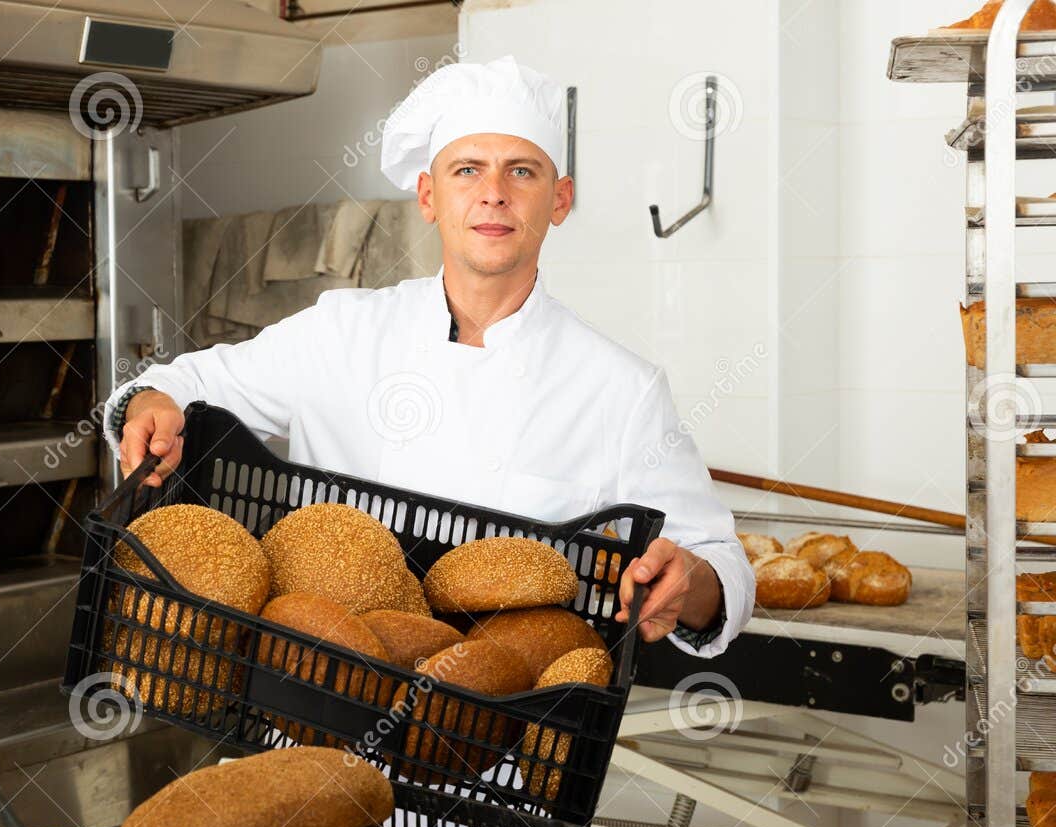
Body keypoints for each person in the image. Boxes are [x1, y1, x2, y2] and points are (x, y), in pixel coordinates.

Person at [101, 56, 752, 657]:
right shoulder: (341, 332)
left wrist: (690, 581)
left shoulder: (620, 389)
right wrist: (153, 403)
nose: (493, 193)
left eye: (521, 171)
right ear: (429, 196)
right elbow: (179, 385)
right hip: (307, 704)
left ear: (560, 200)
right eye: (467, 169)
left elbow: (715, 559)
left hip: (499, 753)